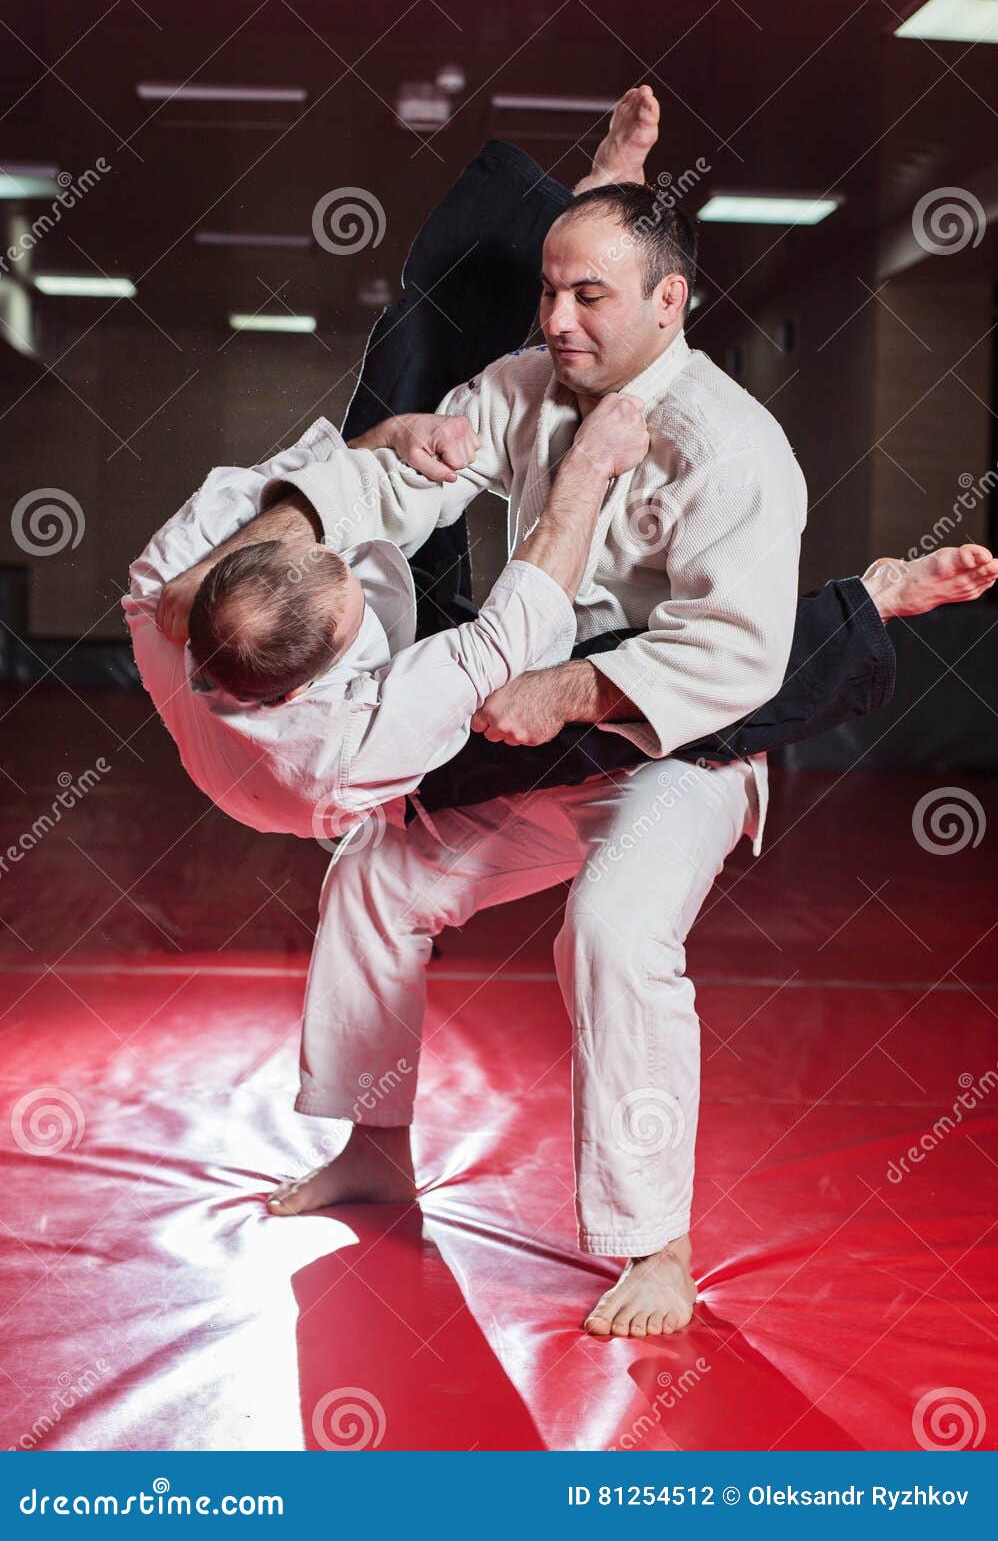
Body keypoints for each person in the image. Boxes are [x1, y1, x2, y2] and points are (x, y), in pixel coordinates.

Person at [146, 86, 997, 1343]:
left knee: (609, 922)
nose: (554, 319)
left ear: (669, 302)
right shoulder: (534, 382)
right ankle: (376, 1145)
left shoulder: (736, 448)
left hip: (682, 747)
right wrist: (353, 486)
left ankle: (657, 1241)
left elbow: (736, 655)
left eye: (586, 297)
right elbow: (406, 475)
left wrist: (575, 685)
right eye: (546, 292)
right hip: (533, 739)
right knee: (378, 866)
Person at [124, 392, 651, 844]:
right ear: (297, 691)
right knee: (557, 699)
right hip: (340, 785)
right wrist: (591, 462)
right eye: (354, 608)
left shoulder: (165, 578)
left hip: (244, 662)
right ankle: (732, 730)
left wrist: (392, 431)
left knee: (377, 470)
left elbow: (312, 481)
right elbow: (515, 626)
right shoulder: (355, 741)